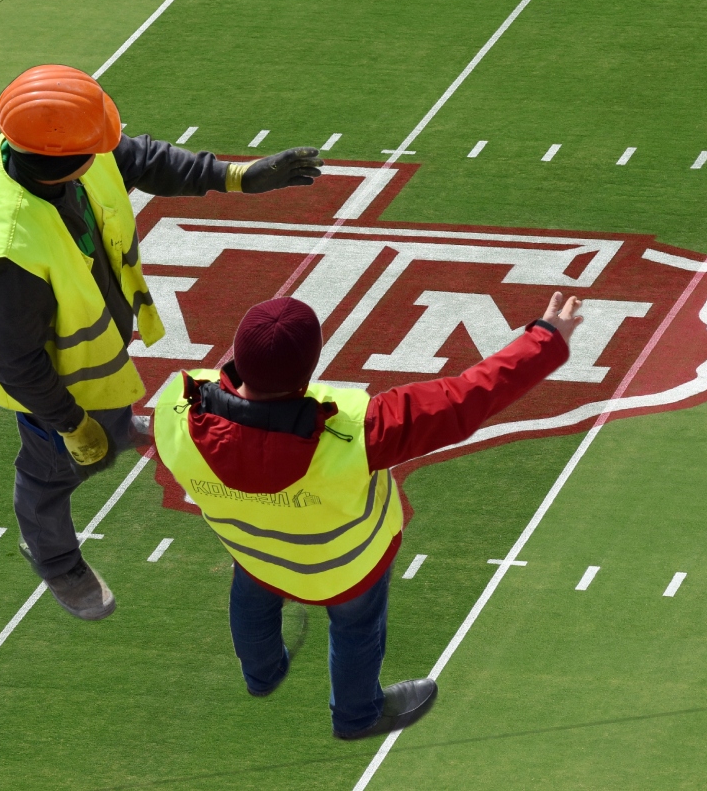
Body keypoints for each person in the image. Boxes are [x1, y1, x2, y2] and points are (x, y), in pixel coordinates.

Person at [0, 64, 323, 621]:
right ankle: (53, 558)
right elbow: (19, 364)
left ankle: (111, 425)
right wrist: (70, 424)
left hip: (79, 333)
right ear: (72, 159)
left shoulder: (35, 149)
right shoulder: (10, 256)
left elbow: (139, 158)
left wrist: (237, 176)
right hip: (46, 378)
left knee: (105, 403)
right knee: (48, 471)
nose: (109, 148)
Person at [152, 291, 584, 739]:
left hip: (255, 551)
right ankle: (356, 716)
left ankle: (260, 675)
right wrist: (545, 339)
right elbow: (462, 400)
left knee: (251, 596)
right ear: (308, 370)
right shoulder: (360, 430)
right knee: (356, 628)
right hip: (348, 567)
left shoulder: (175, 409)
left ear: (239, 356)